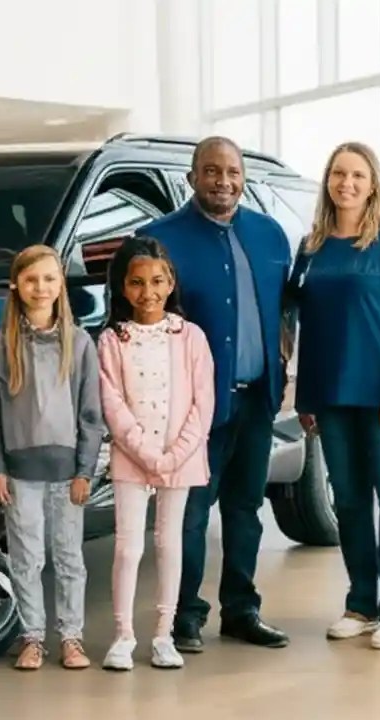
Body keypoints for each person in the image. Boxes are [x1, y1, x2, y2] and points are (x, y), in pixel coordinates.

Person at [140, 136, 295, 652]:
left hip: (257, 399)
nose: (222, 181)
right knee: (190, 513)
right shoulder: (158, 240)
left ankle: (242, 611)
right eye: (210, 171)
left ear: (243, 177)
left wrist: (284, 366)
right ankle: (184, 615)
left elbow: (286, 311)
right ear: (192, 178)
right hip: (192, 408)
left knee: (246, 509)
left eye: (231, 172)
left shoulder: (270, 235)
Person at [287, 141, 380, 650]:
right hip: (332, 396)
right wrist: (306, 397)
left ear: (373, 186)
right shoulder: (311, 246)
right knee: (348, 502)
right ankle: (362, 605)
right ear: (328, 181)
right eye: (339, 174)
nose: (346, 183)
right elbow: (304, 325)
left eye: (358, 176)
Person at [0, 244, 106, 671]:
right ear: (16, 285)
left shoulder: (80, 343)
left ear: (61, 284)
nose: (41, 287)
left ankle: (71, 637)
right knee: (26, 558)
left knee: (69, 558)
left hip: (68, 473)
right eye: (31, 279)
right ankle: (32, 636)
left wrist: (85, 469)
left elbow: (91, 415)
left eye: (50, 278)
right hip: (19, 473)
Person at [96, 235, 215, 671]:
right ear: (122, 287)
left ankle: (164, 634)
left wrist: (173, 456)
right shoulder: (112, 340)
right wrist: (147, 454)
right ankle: (123, 634)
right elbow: (111, 403)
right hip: (132, 457)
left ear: (171, 283)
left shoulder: (190, 337)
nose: (148, 292)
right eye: (137, 282)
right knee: (128, 548)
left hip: (180, 458)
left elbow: (203, 403)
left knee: (169, 544)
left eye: (158, 281)